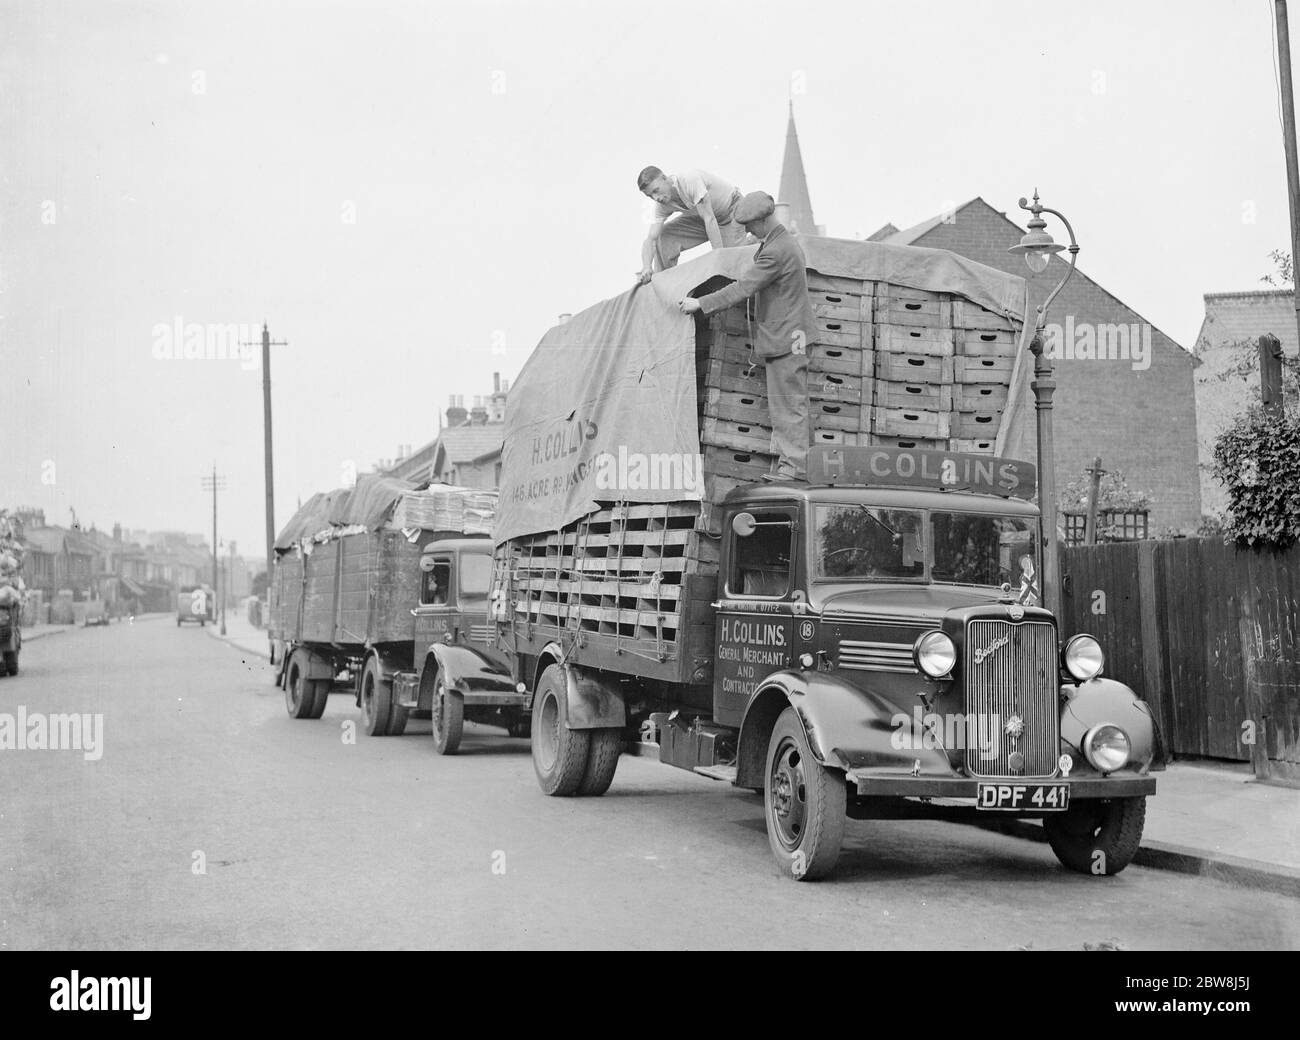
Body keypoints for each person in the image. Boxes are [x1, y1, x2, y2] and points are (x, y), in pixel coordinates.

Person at [680, 191, 813, 481]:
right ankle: (797, 466)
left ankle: (795, 470)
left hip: (787, 338)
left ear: (764, 220)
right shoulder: (779, 243)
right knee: (791, 404)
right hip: (791, 336)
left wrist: (701, 304)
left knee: (788, 406)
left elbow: (743, 288)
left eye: (751, 225)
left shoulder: (777, 251)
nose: (748, 231)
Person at [635, 166, 748, 284]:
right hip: (703, 217)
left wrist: (718, 258)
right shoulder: (662, 204)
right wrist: (646, 267)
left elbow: (709, 219)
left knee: (730, 266)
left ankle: (749, 245)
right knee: (663, 235)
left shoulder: (689, 180)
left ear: (664, 178)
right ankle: (663, 284)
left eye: (656, 190)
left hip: (730, 212)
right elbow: (651, 239)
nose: (656, 198)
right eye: (650, 196)